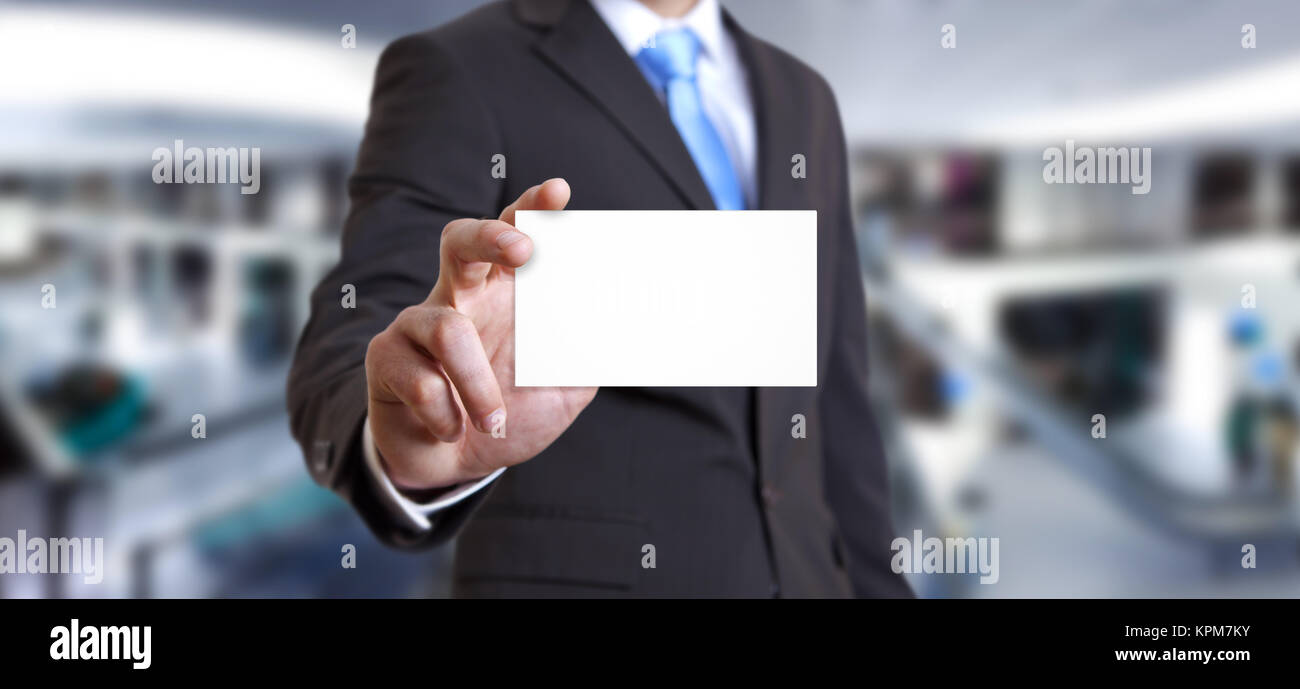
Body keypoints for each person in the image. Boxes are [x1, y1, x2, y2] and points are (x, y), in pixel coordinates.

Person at [287, 0, 912, 597]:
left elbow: (839, 398)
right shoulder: (458, 68)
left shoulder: (804, 97)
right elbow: (354, 327)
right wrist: (407, 426)